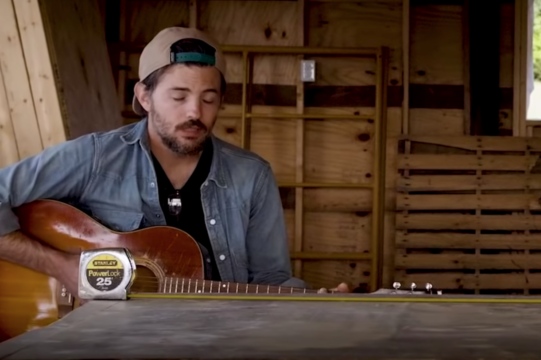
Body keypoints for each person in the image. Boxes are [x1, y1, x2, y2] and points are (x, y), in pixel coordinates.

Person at [0, 27, 349, 296]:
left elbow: (270, 280)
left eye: (209, 99)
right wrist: (60, 266)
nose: (195, 112)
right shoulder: (95, 157)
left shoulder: (252, 175)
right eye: (179, 96)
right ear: (144, 96)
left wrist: (308, 301)